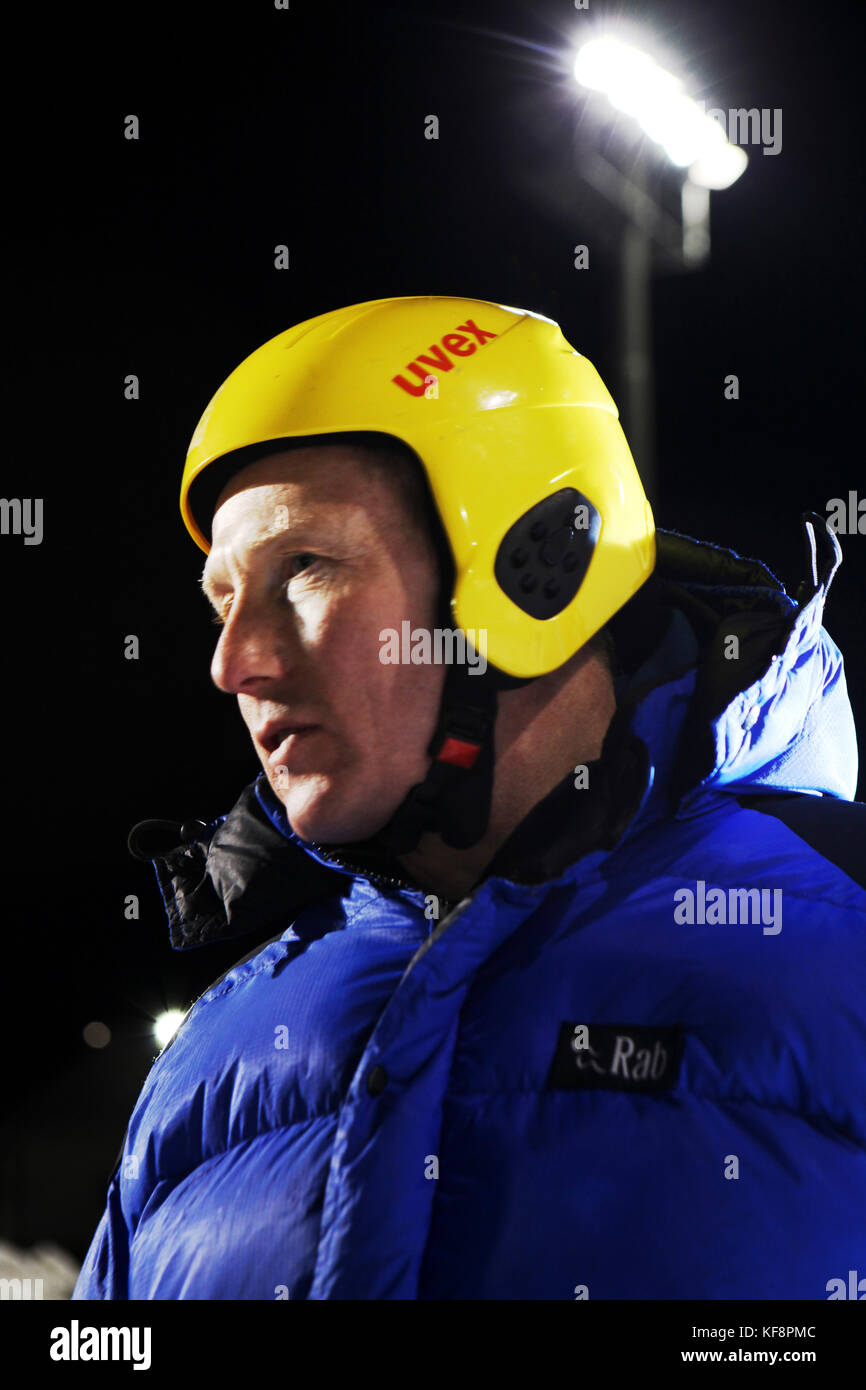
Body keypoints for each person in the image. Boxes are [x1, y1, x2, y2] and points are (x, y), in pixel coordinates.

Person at [73, 295, 866, 1300]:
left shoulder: (842, 945)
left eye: (305, 567)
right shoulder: (208, 1062)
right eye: (223, 600)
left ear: (540, 562)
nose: (235, 664)